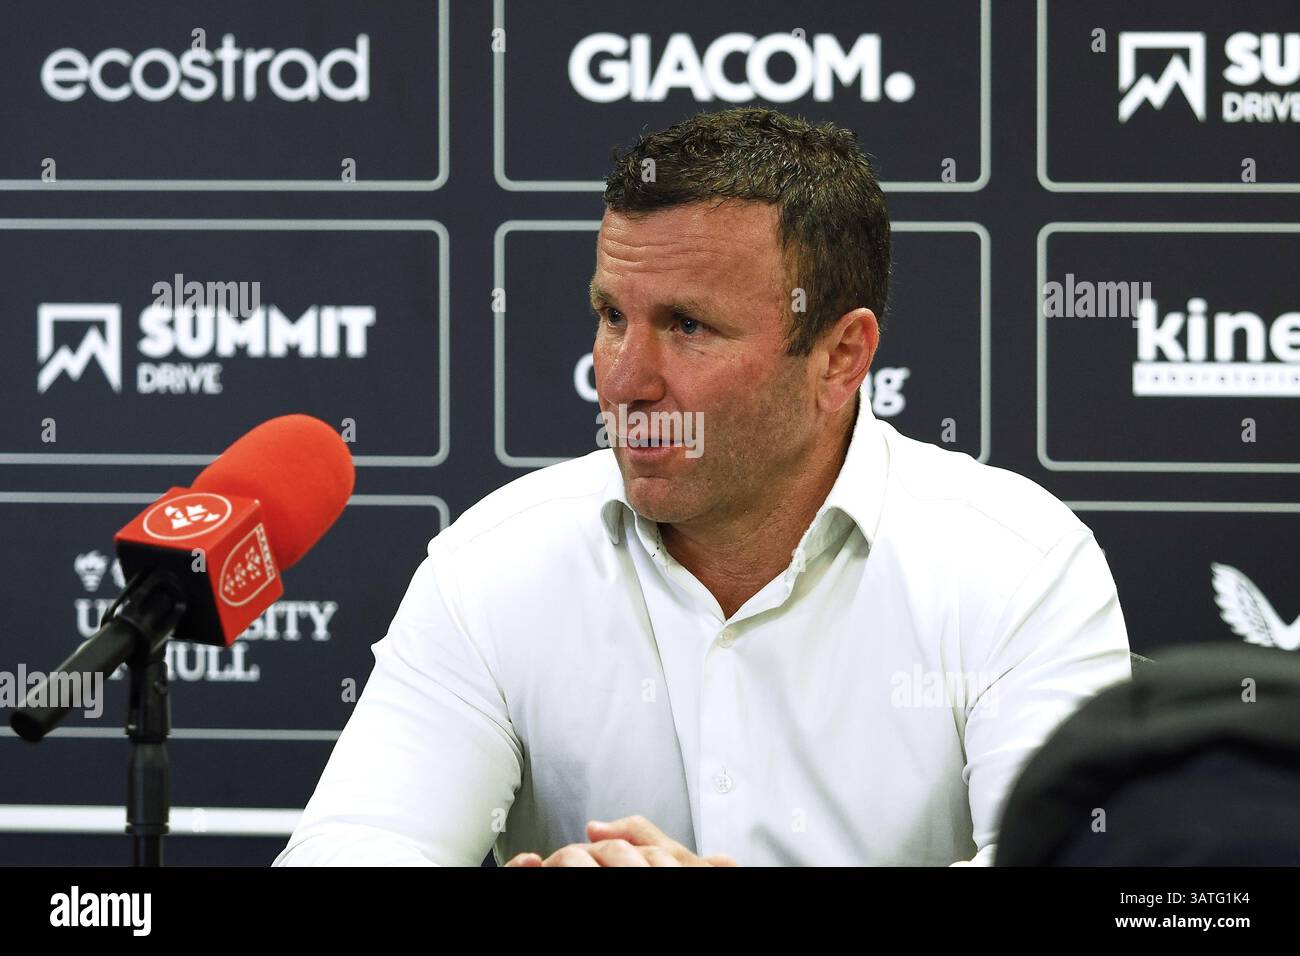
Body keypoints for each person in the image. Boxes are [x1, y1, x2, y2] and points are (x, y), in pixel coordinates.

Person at [273, 107, 1131, 867]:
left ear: (841, 357)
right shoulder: (491, 565)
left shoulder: (1019, 567)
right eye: (613, 317)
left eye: (688, 326)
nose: (623, 379)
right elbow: (352, 846)